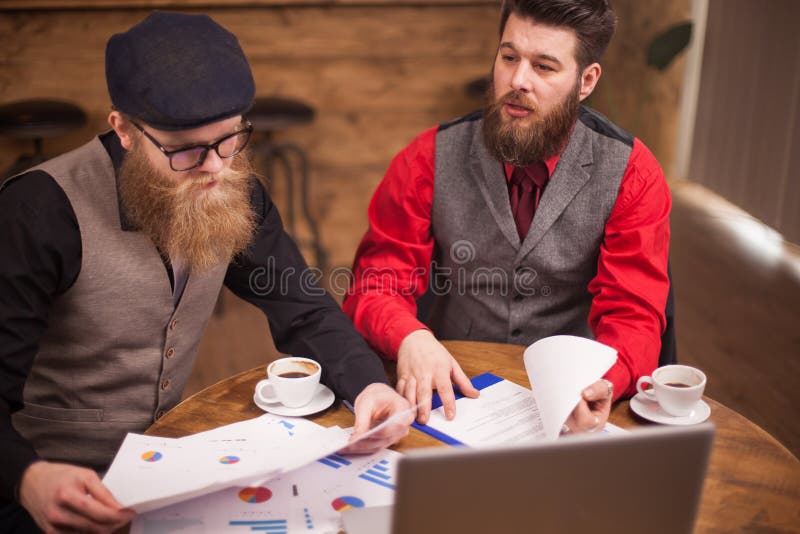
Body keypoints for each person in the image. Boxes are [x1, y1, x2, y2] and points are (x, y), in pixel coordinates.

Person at [0, 12, 412, 534]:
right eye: (188, 150)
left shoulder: (231, 186)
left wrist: (367, 384)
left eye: (231, 140)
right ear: (123, 129)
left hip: (164, 466)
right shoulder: (38, 212)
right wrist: (27, 477)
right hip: (45, 487)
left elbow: (301, 304)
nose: (216, 168)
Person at [344, 0, 670, 432]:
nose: (518, 81)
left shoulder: (632, 173)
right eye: (509, 57)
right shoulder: (427, 158)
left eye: (544, 67)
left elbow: (634, 314)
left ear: (586, 81)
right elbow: (376, 281)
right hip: (452, 392)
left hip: (566, 399)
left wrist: (600, 382)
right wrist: (410, 336)